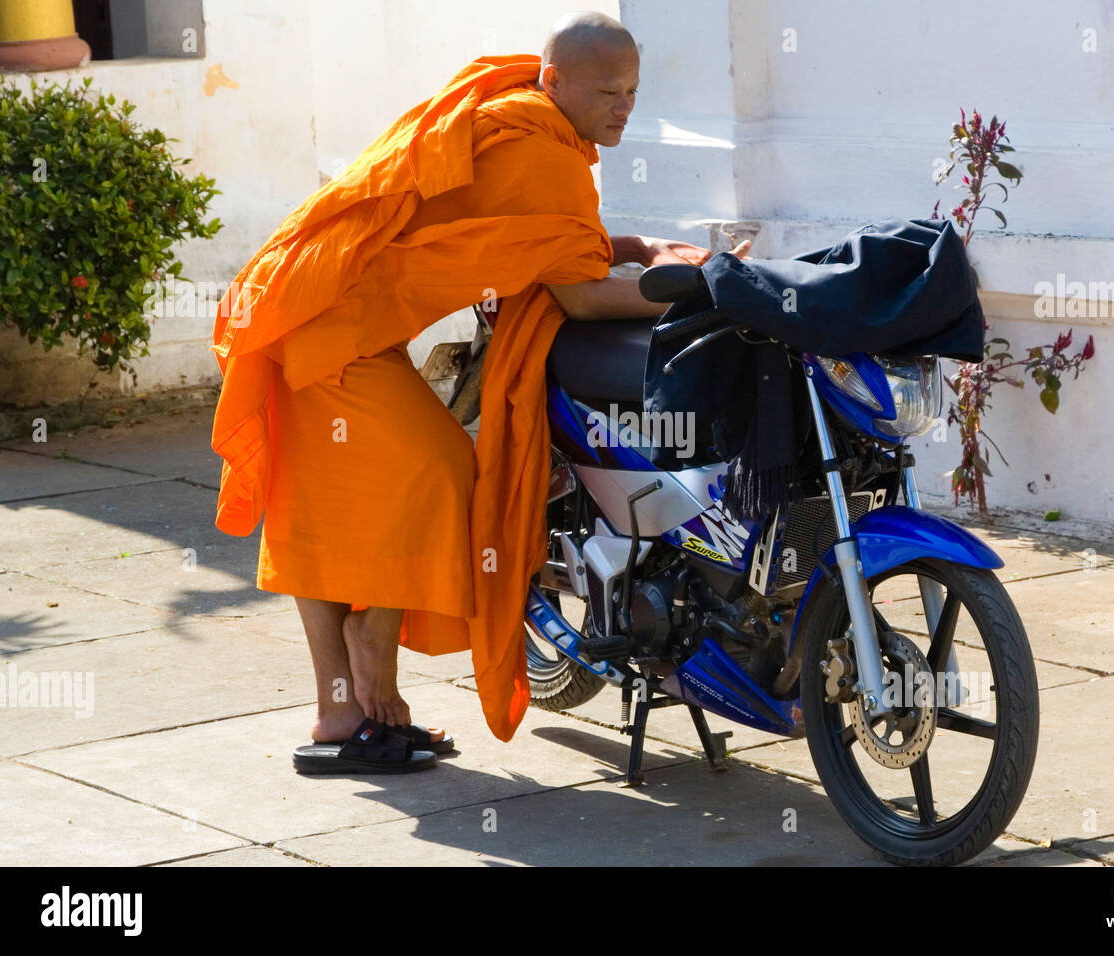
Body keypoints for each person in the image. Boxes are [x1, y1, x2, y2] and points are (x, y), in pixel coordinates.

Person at [210, 12, 749, 774]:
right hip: (327, 329)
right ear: (553, 78)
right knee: (438, 472)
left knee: (322, 511)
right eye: (606, 91)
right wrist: (714, 291)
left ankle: (341, 711)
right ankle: (368, 652)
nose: (622, 107)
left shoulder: (534, 127)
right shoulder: (538, 146)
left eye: (631, 91)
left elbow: (539, 244)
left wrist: (639, 251)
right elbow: (585, 298)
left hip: (320, 312)